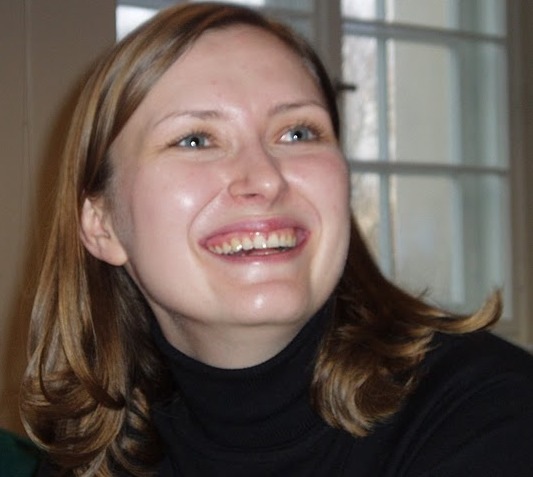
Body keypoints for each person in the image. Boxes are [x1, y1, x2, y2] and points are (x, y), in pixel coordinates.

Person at [20, 2, 533, 476]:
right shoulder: (89, 455)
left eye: (297, 133)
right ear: (102, 224)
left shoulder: (491, 413)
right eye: (195, 139)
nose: (265, 179)